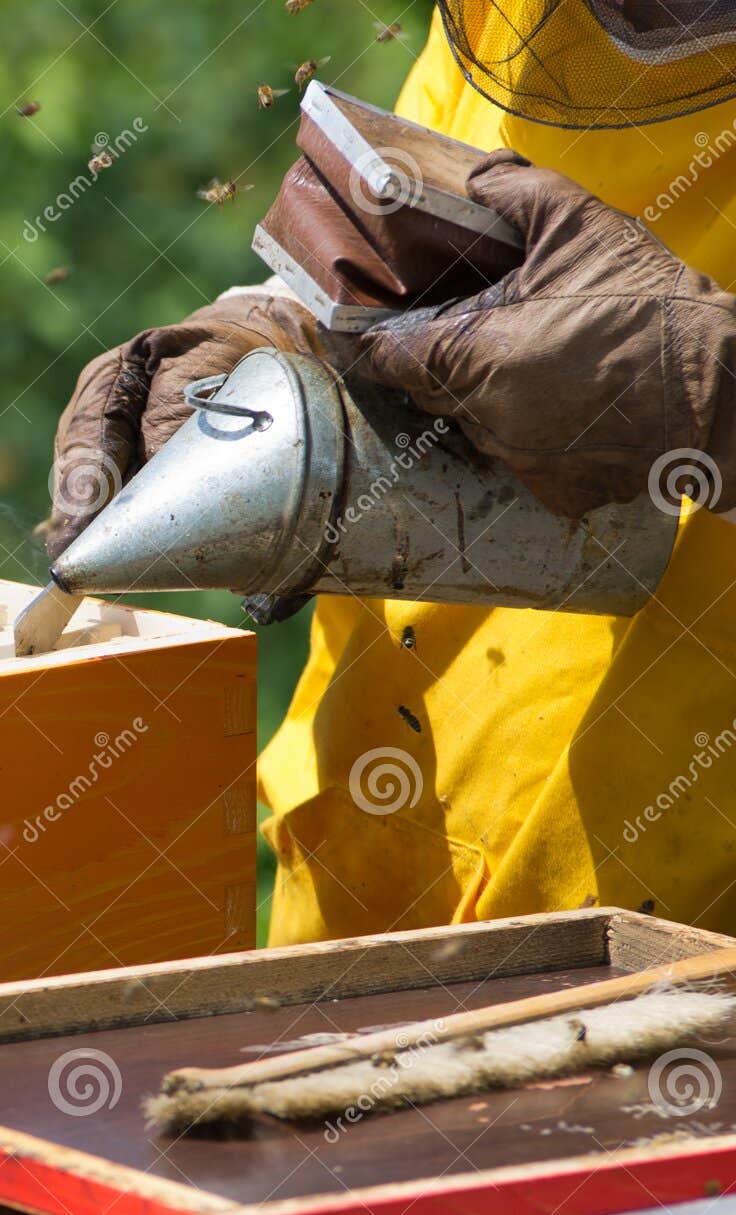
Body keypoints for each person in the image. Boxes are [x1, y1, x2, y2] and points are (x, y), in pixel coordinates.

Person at [45, 0, 736, 944]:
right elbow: (413, 242)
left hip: (687, 967)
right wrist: (279, 334)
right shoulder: (515, 18)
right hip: (374, 871)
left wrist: (713, 391)